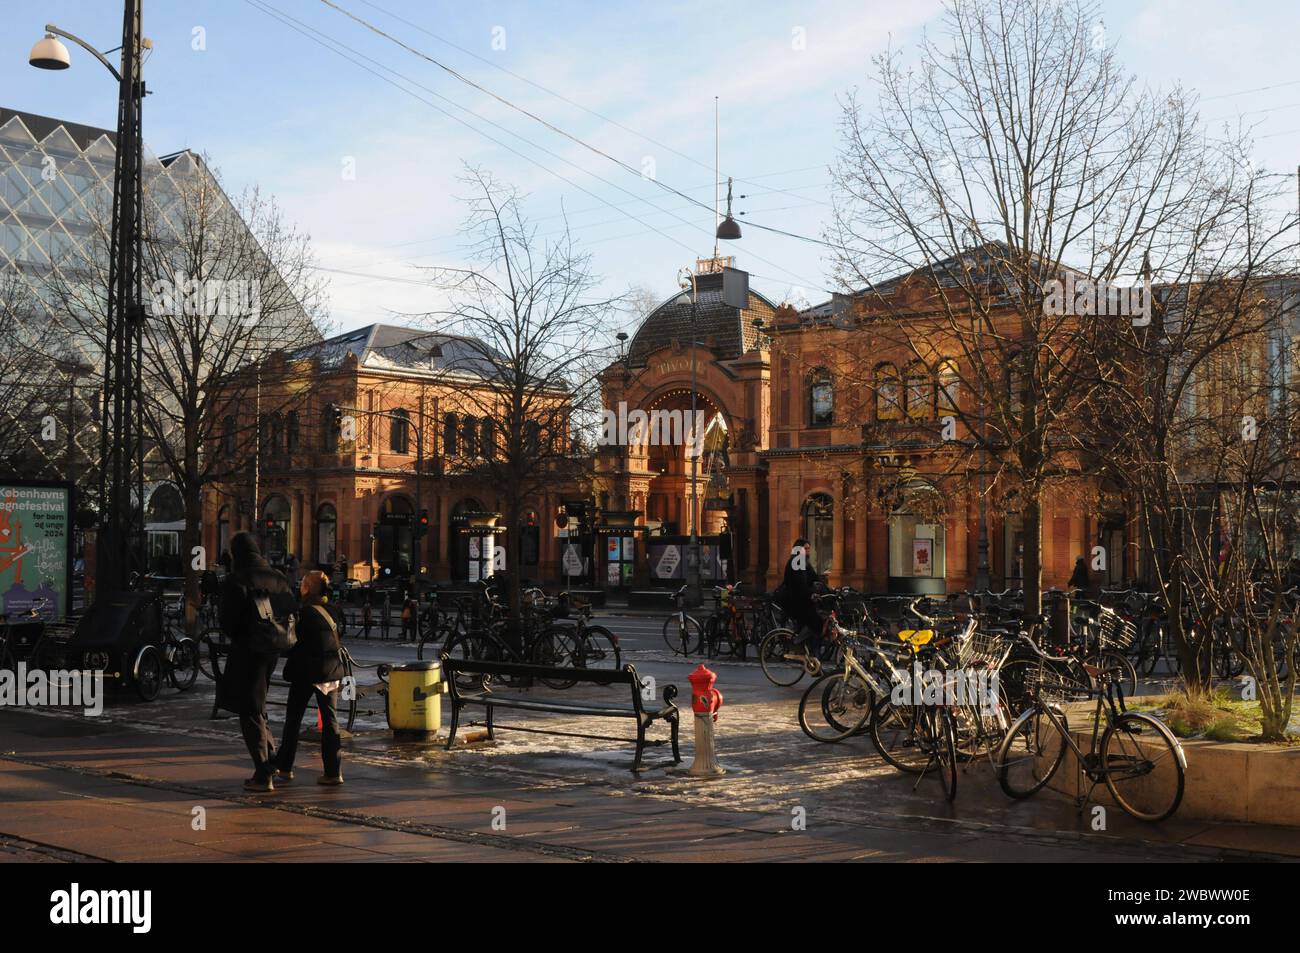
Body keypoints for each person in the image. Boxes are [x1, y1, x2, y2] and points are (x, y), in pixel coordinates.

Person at [218, 531, 297, 793]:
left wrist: (242, 632)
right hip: (274, 648)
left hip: (248, 649)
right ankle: (271, 761)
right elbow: (291, 609)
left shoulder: (237, 579)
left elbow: (228, 621)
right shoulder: (278, 577)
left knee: (250, 709)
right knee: (258, 703)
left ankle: (264, 773)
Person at [272, 570, 345, 786]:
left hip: (306, 671)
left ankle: (285, 767)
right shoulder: (332, 609)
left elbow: (291, 641)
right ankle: (333, 772)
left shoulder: (303, 612)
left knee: (293, 719)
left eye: (303, 583)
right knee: (330, 720)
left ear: (307, 588)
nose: (300, 585)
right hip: (329, 670)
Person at [777, 538, 823, 659]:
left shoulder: (804, 562)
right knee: (816, 621)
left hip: (802, 598)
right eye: (805, 548)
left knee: (817, 621)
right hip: (793, 600)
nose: (808, 551)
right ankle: (796, 643)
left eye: (809, 549)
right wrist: (810, 594)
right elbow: (799, 585)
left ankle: (812, 655)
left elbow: (815, 578)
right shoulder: (796, 562)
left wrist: (830, 590)